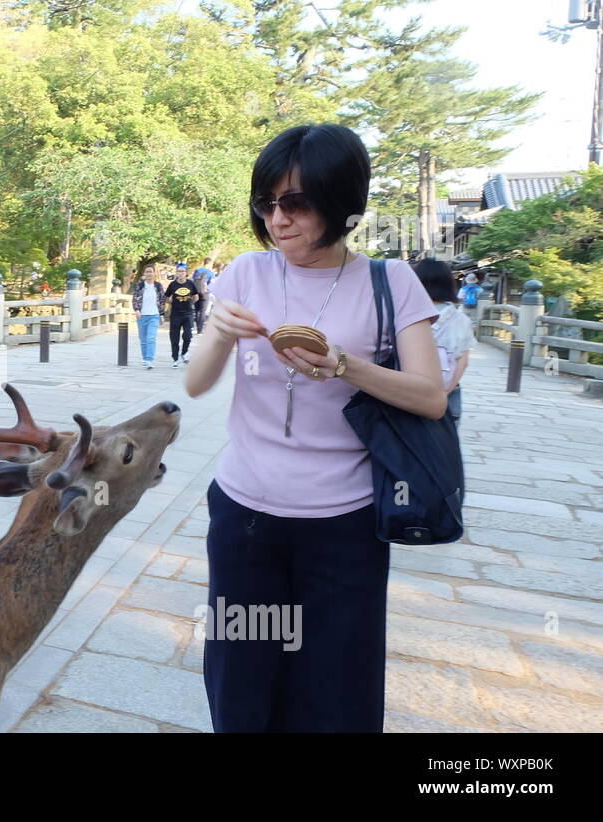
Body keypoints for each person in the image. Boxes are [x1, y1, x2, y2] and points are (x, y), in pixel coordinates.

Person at [185, 123, 446, 733]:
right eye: (266, 203)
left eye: (296, 203)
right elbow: (196, 385)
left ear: (343, 203)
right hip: (245, 517)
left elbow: (431, 396)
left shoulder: (391, 283)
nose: (278, 219)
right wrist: (219, 330)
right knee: (242, 679)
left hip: (346, 526)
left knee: (336, 687)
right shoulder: (245, 273)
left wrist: (345, 366)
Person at [415, 259, 474, 425]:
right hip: (448, 392)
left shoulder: (405, 314)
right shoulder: (461, 320)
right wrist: (445, 392)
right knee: (445, 445)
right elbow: (463, 361)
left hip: (410, 390)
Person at [131, 263, 166, 369]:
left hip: (154, 315)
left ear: (154, 273)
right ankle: (145, 358)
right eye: (147, 272)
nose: (149, 274)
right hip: (142, 316)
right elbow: (135, 298)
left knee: (151, 338)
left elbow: (162, 300)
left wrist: (161, 314)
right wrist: (136, 310)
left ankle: (149, 359)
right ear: (144, 273)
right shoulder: (140, 286)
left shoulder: (158, 286)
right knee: (143, 339)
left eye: (151, 271)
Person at [166, 262, 199, 367]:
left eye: (182, 271)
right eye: (178, 271)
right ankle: (175, 359)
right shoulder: (172, 285)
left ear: (186, 273)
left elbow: (196, 296)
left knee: (188, 336)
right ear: (176, 273)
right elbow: (167, 297)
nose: (180, 273)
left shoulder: (190, 284)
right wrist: (174, 303)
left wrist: (190, 303)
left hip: (188, 313)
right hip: (175, 314)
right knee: (174, 337)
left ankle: (184, 353)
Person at [192, 260, 214, 333]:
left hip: (195, 292)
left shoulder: (197, 271)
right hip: (205, 293)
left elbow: (192, 281)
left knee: (197, 310)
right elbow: (212, 284)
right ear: (210, 264)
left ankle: (196, 326)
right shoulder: (210, 273)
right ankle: (200, 330)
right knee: (202, 311)